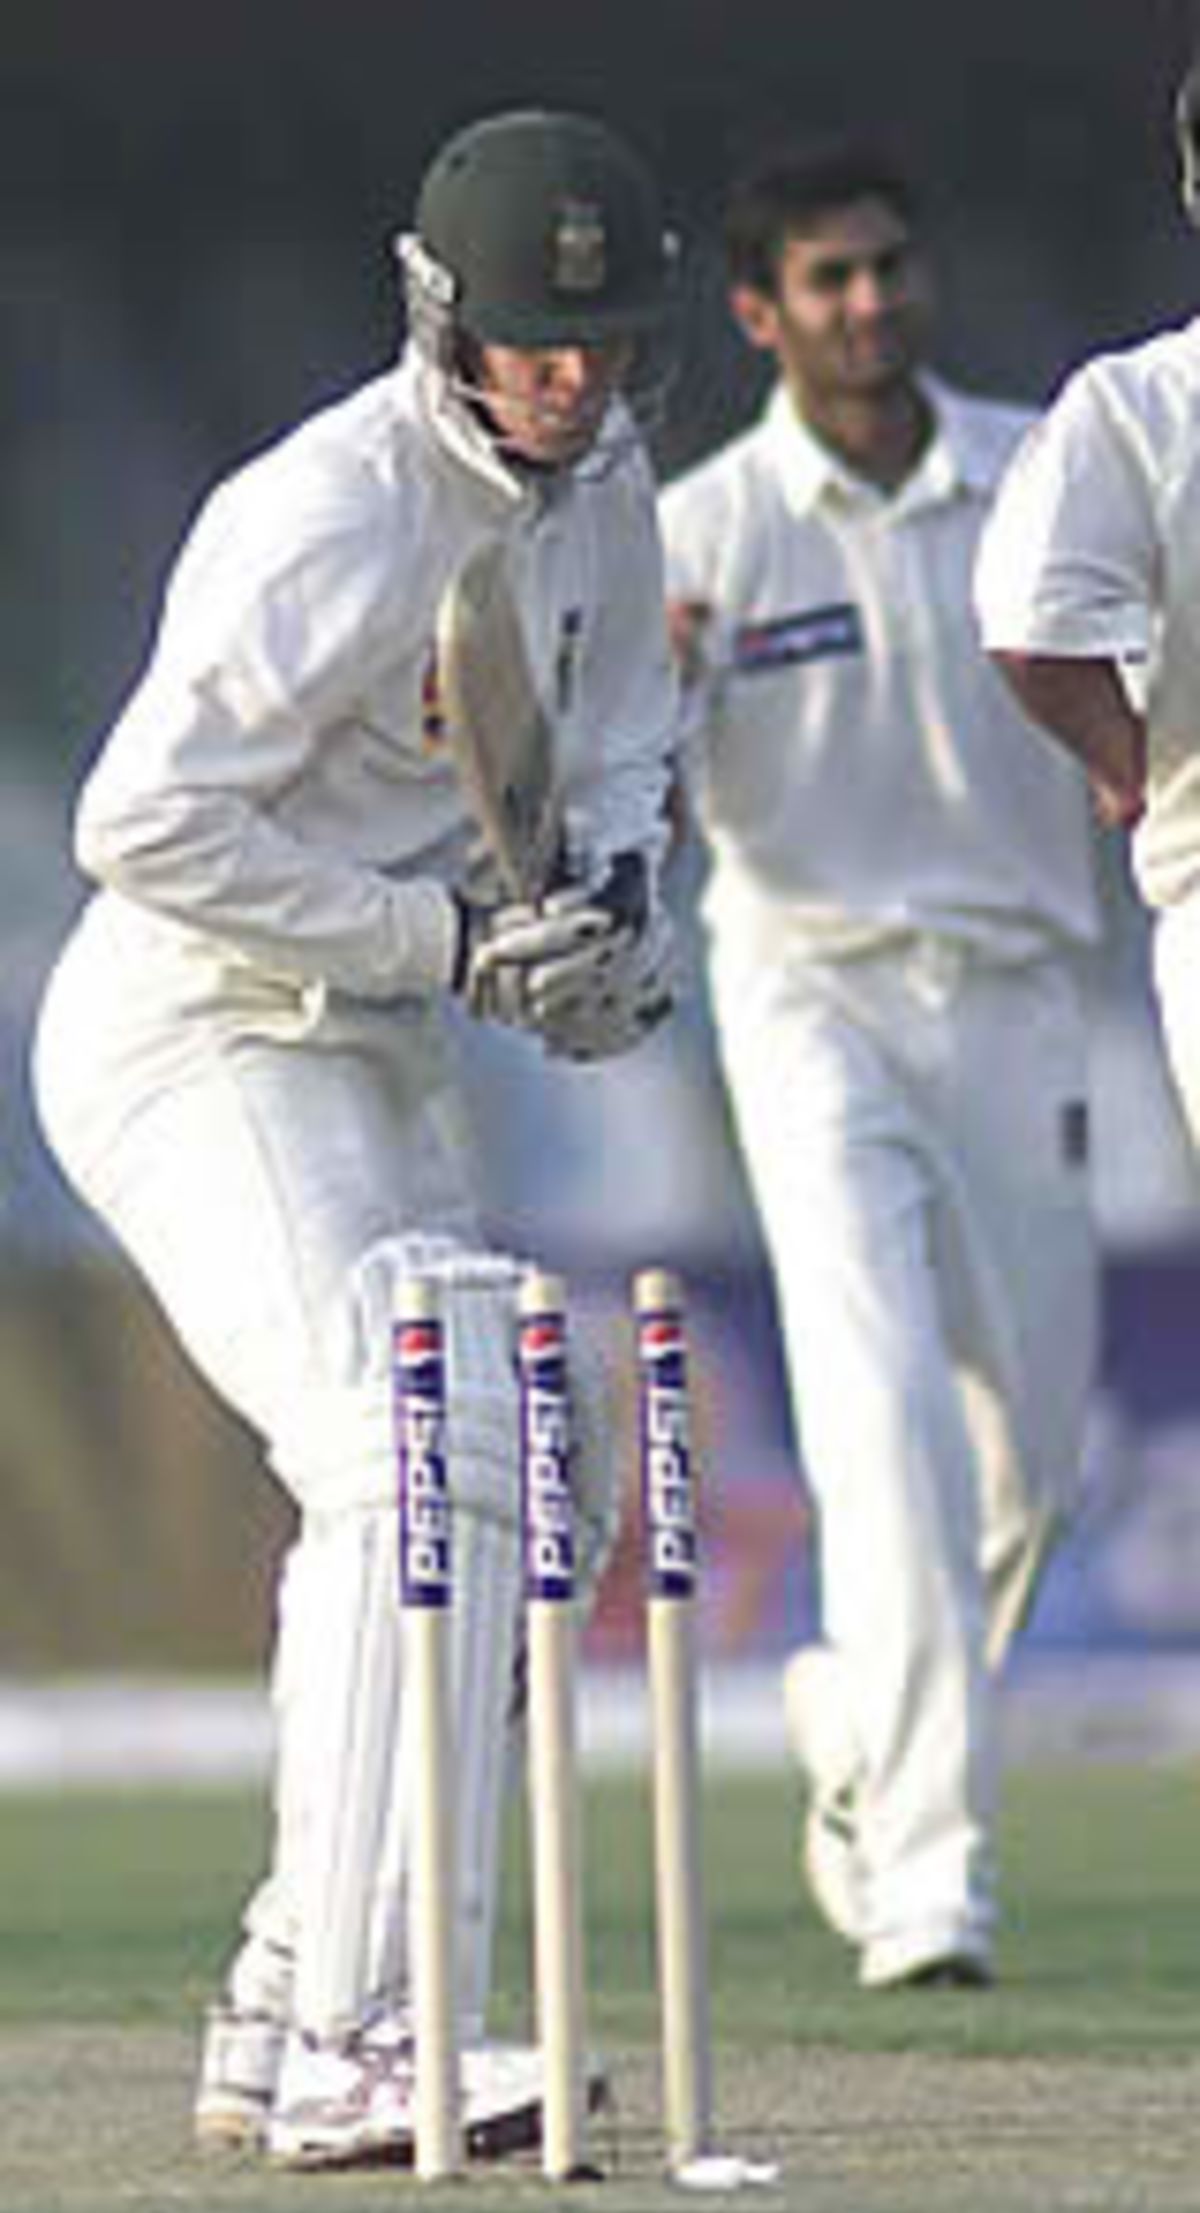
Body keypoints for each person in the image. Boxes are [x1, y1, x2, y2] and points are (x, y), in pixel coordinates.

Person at [32, 107, 678, 2167]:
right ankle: (358, 2023)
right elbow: (133, 822)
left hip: (377, 1041)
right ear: (439, 319)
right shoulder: (322, 513)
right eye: (529, 342)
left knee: (530, 1462)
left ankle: (281, 1983)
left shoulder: (612, 476)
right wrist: (446, 929)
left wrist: (612, 904)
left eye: (599, 341)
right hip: (199, 1025)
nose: (568, 379)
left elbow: (632, 736)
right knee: (420, 1443)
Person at [658, 141, 1102, 1989]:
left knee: (1036, 1467)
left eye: (887, 269)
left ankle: (852, 1716)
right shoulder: (703, 534)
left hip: (1016, 997)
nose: (868, 304)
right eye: (826, 281)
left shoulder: (1035, 475)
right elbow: (624, 766)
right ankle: (934, 1879)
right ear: (762, 315)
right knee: (883, 1427)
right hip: (808, 996)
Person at [976, 61, 1200, 1153]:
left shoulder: (1146, 405)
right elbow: (1029, 621)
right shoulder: (1145, 407)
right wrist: (1133, 769)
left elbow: (1031, 623)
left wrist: (1131, 770)